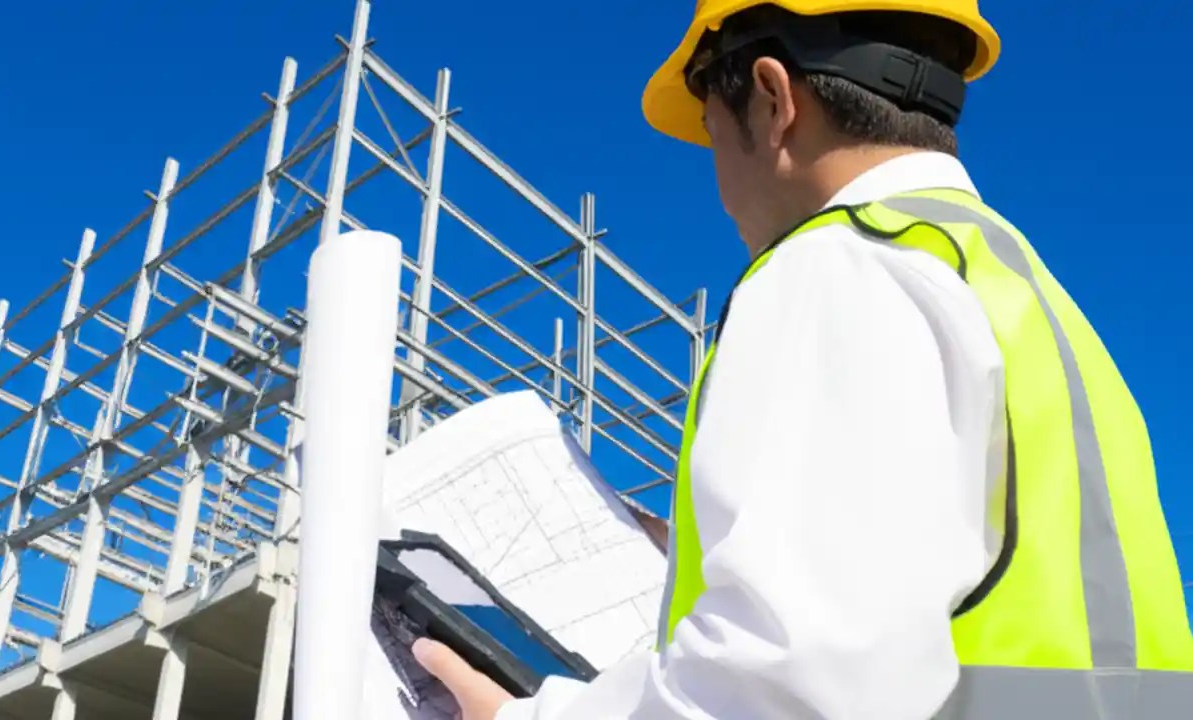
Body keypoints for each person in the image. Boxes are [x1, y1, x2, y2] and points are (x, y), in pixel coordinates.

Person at [413, 1, 1193, 718]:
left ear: (773, 97)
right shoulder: (1017, 292)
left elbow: (790, 688)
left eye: (711, 130)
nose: (716, 176)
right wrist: (719, 545)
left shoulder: (840, 265)